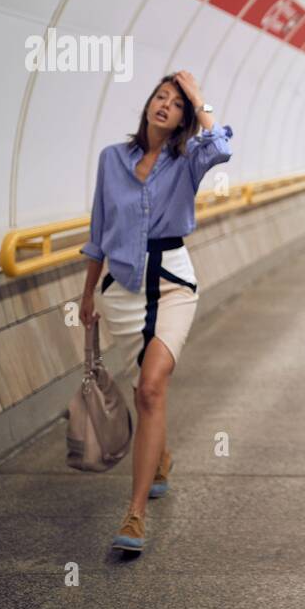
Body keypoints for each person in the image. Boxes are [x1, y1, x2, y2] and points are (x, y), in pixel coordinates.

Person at [78, 71, 233, 550]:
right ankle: (159, 455)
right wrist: (86, 295)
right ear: (149, 104)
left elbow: (221, 147)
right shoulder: (112, 159)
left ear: (185, 117)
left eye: (177, 103)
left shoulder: (186, 159)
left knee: (151, 386)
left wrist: (200, 97)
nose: (166, 105)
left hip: (172, 284)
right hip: (122, 286)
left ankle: (134, 514)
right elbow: (99, 231)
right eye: (161, 97)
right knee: (144, 389)